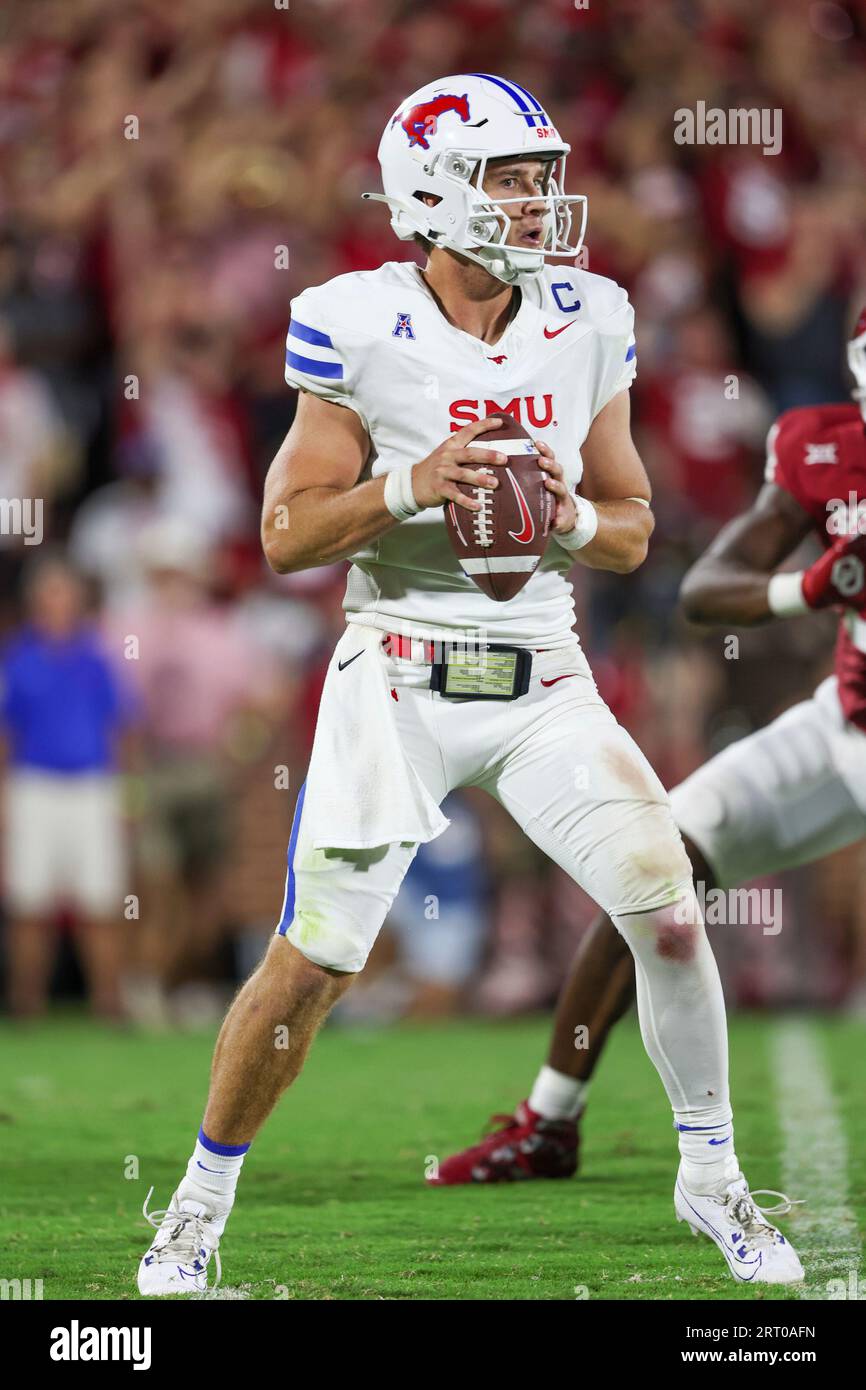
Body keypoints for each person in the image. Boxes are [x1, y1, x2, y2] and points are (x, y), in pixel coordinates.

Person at [138, 74, 802, 1294]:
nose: (541, 198)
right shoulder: (353, 316)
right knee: (318, 959)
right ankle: (193, 1206)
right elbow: (287, 534)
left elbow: (632, 526)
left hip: (543, 669)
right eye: (511, 174)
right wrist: (409, 484)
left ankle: (710, 1178)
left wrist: (558, 519)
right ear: (431, 191)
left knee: (661, 902)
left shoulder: (589, 311)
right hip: (395, 662)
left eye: (543, 173)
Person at [432, 306, 866, 1188]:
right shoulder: (828, 449)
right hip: (846, 721)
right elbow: (710, 590)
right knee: (660, 869)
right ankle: (547, 1123)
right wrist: (810, 587)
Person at [0, 556, 133, 1018]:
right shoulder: (18, 658)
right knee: (29, 902)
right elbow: (6, 733)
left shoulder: (96, 658)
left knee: (100, 900)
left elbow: (120, 728)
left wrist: (127, 793)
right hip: (32, 785)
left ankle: (109, 1005)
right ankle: (26, 1006)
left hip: (91, 785)